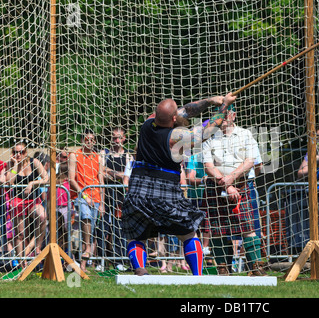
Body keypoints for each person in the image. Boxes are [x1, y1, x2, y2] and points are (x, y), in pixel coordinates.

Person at [121, 93, 237, 276]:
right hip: (165, 190)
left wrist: (208, 101)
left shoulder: (147, 124)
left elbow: (184, 111)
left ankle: (140, 270)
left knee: (138, 234)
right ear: (173, 119)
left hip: (139, 189)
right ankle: (198, 276)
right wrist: (224, 106)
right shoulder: (176, 137)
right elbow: (208, 130)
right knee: (189, 232)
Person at [202, 104, 266, 276]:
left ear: (233, 115)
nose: (221, 117)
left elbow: (250, 161)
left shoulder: (246, 134)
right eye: (218, 114)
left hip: (243, 184)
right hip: (216, 186)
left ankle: (256, 268)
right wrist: (227, 185)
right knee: (217, 230)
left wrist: (232, 179)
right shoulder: (209, 137)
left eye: (225, 113)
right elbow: (208, 167)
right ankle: (223, 269)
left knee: (248, 227)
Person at [5, 143, 48, 267]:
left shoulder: (33, 162)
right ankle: (22, 263)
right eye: (15, 152)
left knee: (43, 217)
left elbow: (46, 178)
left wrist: (33, 183)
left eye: (21, 152)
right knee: (20, 233)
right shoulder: (11, 164)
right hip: (17, 202)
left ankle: (37, 247)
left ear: (26, 152)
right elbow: (9, 182)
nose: (18, 155)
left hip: (32, 201)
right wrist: (16, 165)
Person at [68, 129, 105, 272]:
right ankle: (88, 247)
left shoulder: (98, 157)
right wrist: (84, 195)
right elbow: (71, 179)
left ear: (94, 141)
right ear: (82, 140)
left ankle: (83, 265)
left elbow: (101, 180)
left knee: (88, 230)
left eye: (92, 140)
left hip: (96, 197)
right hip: (81, 196)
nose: (89, 142)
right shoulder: (75, 155)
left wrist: (102, 203)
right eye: (86, 139)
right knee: (86, 217)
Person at [98, 127, 132, 271]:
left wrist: (111, 173)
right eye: (114, 138)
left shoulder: (128, 156)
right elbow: (101, 171)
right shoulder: (104, 153)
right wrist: (117, 174)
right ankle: (100, 260)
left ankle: (118, 260)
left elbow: (128, 176)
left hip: (120, 197)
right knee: (102, 228)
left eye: (119, 138)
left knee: (119, 230)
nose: (116, 141)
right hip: (106, 195)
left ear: (124, 139)